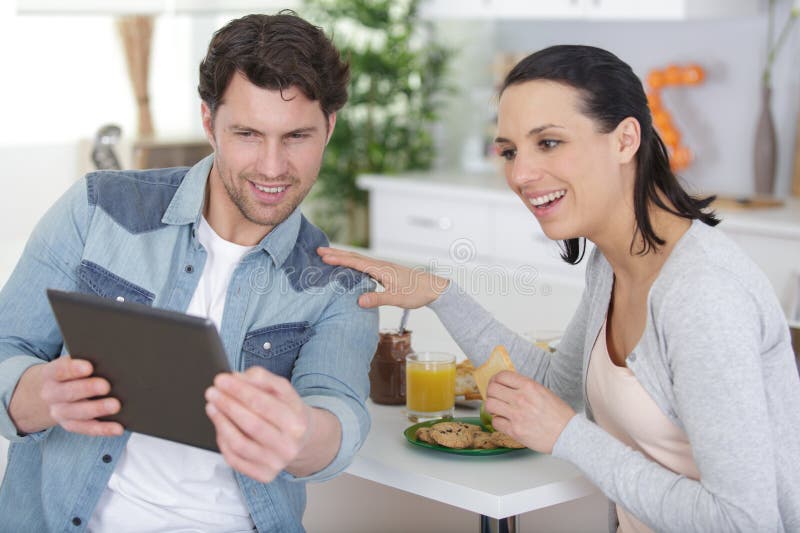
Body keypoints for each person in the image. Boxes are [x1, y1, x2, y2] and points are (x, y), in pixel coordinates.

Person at [318, 45, 800, 532]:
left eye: (548, 143)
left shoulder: (701, 295)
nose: (520, 175)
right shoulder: (611, 265)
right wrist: (440, 294)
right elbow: (556, 390)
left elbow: (745, 522)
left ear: (625, 140)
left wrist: (568, 436)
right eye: (509, 151)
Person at [0, 12, 378, 532]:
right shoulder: (96, 209)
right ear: (209, 123)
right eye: (247, 133)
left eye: (296, 137)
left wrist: (301, 433)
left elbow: (338, 416)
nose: (272, 166)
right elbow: (6, 345)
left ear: (329, 127)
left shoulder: (337, 284)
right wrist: (39, 395)